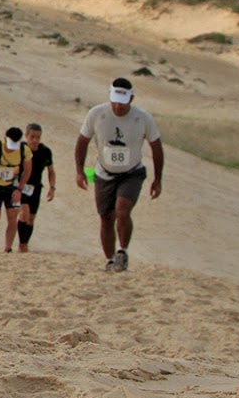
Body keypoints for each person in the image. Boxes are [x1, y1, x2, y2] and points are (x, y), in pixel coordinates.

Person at [75, 78, 163, 272]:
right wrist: (80, 171)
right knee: (106, 217)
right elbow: (82, 142)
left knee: (122, 210)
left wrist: (158, 179)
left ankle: (122, 251)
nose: (118, 106)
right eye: (114, 101)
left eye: (122, 103)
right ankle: (110, 259)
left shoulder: (143, 118)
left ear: (131, 99)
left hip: (132, 172)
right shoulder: (96, 114)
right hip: (104, 173)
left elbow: (156, 146)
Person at [0, 126, 32, 253]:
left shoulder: (24, 151)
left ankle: (8, 248)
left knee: (12, 218)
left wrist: (19, 190)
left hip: (12, 186)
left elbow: (27, 171)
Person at [17, 122, 56, 251]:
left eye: (38, 137)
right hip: (21, 185)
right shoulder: (19, 149)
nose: (35, 140)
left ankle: (25, 242)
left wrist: (52, 187)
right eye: (32, 137)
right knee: (24, 212)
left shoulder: (45, 151)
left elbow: (51, 171)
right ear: (26, 135)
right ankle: (22, 244)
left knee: (31, 218)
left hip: (36, 187)